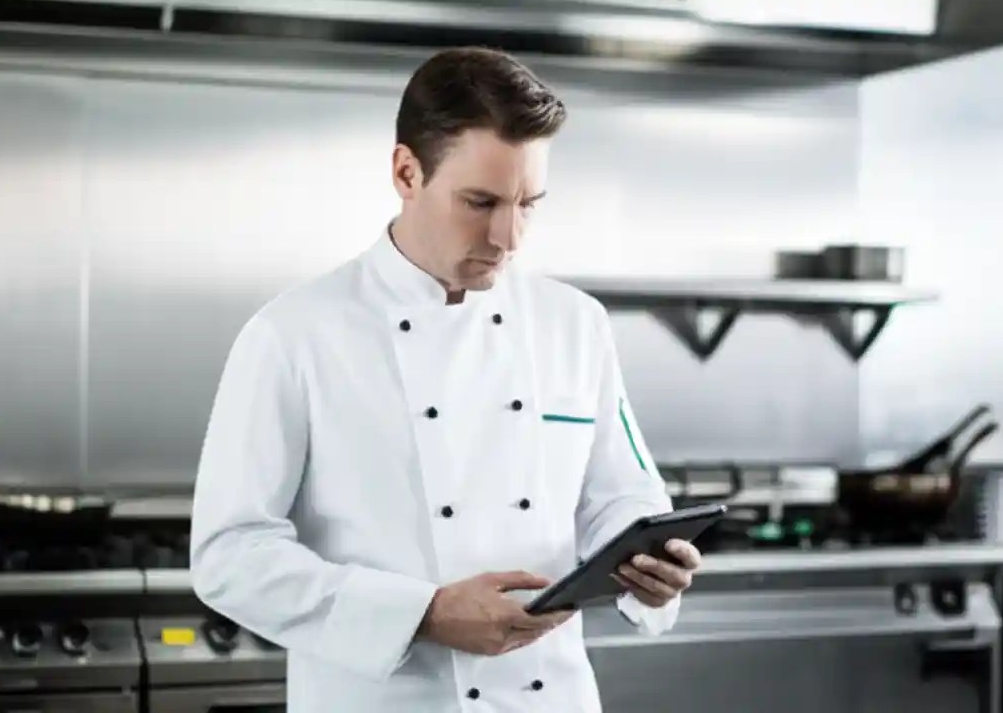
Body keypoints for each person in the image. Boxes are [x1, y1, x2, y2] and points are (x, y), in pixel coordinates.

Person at [190, 46, 702, 712]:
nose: (508, 236)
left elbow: (622, 497)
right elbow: (231, 556)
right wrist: (425, 613)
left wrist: (648, 565)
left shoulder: (575, 324)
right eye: (480, 202)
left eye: (529, 203)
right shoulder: (294, 335)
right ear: (407, 171)